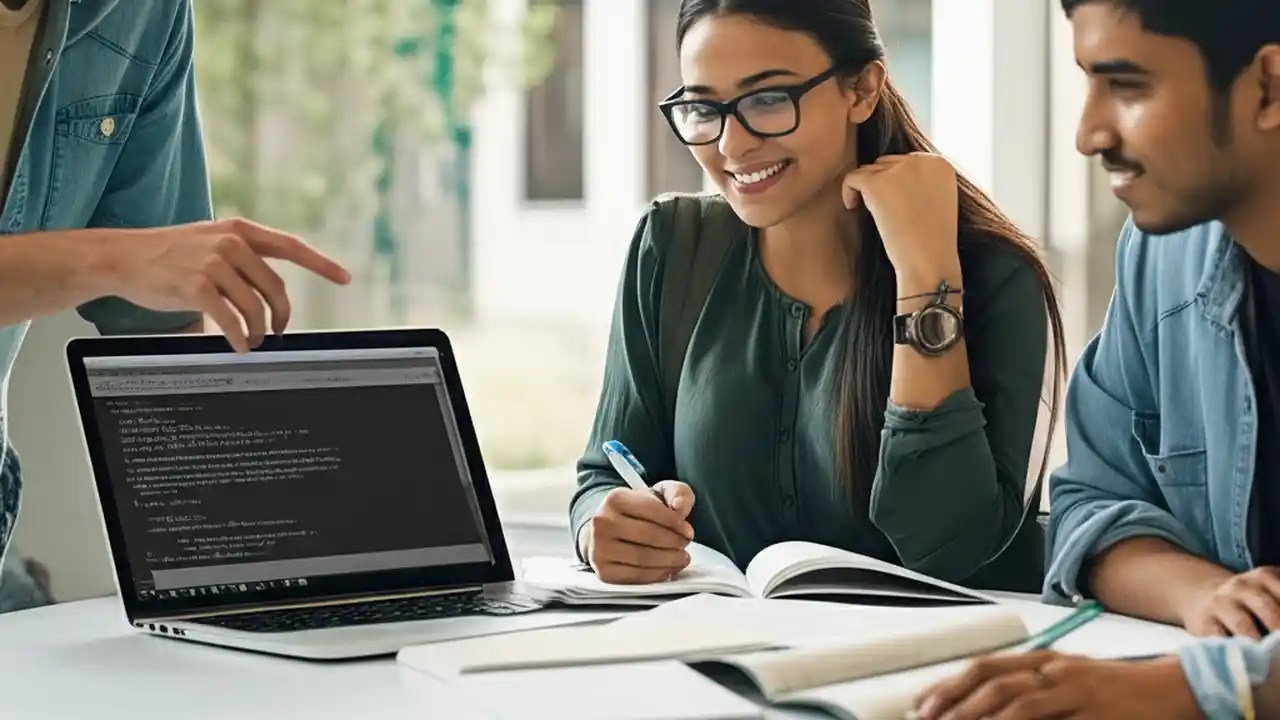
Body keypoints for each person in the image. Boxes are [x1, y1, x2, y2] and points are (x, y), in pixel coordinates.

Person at [568, 0, 1067, 595]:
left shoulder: (992, 275)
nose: (731, 144)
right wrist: (601, 527)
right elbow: (605, 474)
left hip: (927, 670)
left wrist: (926, 275)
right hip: (712, 661)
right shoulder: (673, 247)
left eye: (768, 100)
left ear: (862, 89)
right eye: (705, 107)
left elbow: (949, 546)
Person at [911, 0, 1280, 717]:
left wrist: (1189, 690)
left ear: (1268, 86)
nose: (1087, 134)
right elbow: (1091, 503)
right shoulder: (1161, 255)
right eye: (1086, 81)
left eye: (1129, 85)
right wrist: (1199, 591)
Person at [0, 0, 350, 603]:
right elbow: (137, 263)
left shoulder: (144, 13)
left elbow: (154, 331)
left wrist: (248, 564)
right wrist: (111, 260)